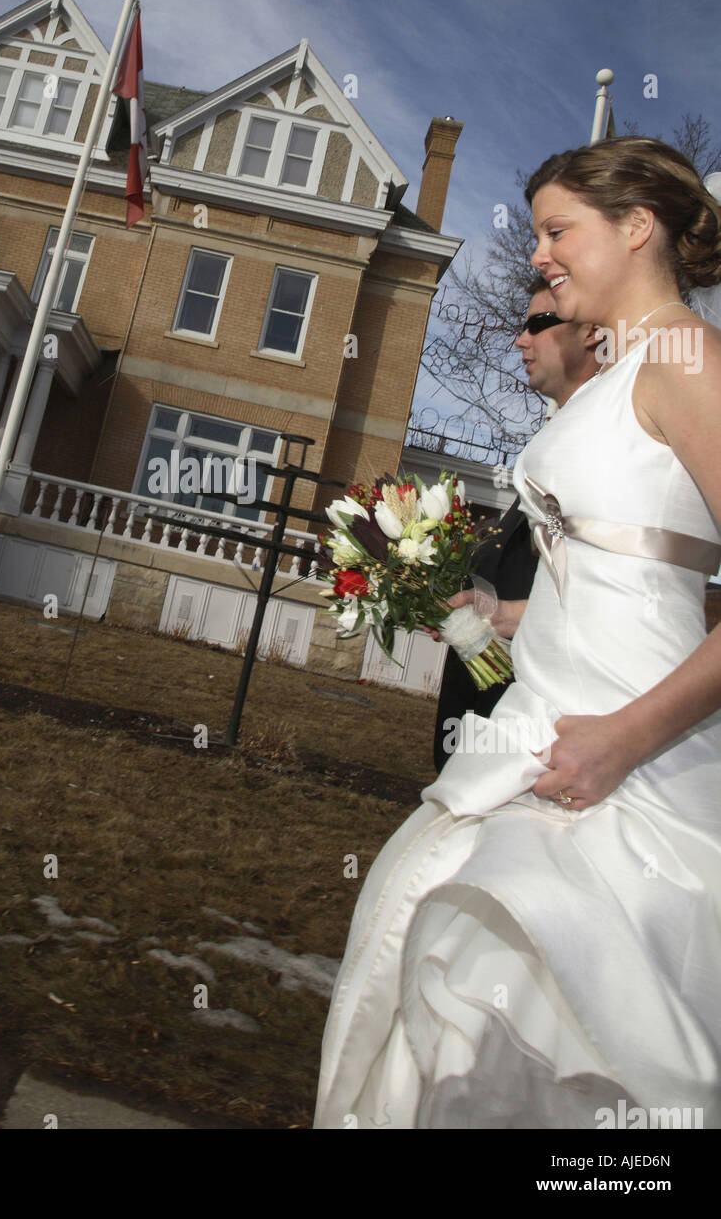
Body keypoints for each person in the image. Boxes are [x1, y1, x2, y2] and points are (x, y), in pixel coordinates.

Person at [315, 136, 721, 1129]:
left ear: (637, 226)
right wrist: (502, 614)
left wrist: (621, 739)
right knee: (433, 963)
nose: (538, 252)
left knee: (540, 1005)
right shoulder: (614, 379)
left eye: (556, 230)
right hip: (535, 735)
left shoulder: (687, 360)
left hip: (634, 763)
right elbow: (623, 568)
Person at [432, 275, 600, 772]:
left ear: (593, 331)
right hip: (485, 724)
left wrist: (509, 614)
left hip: (542, 739)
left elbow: (611, 597)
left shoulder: (610, 445)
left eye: (538, 324)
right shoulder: (553, 442)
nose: (519, 340)